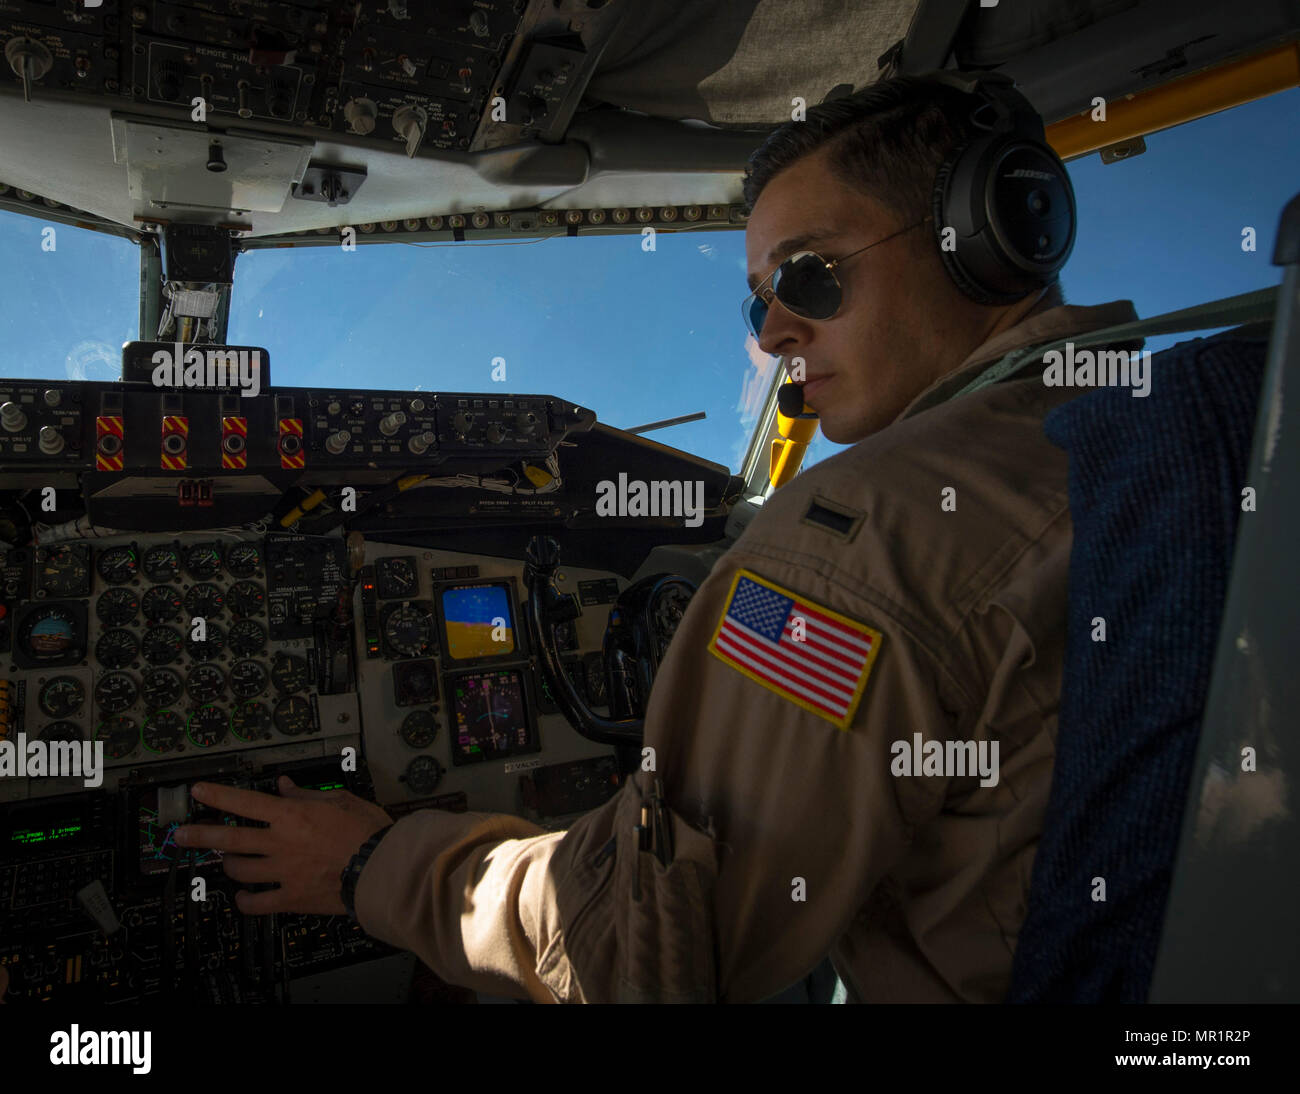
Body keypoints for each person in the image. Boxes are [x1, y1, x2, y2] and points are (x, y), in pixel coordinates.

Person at [175, 72, 1140, 1002]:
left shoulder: (851, 543)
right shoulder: (1144, 441)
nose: (773, 333)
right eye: (758, 299)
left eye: (808, 274)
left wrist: (366, 861)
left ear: (987, 234)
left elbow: (641, 940)